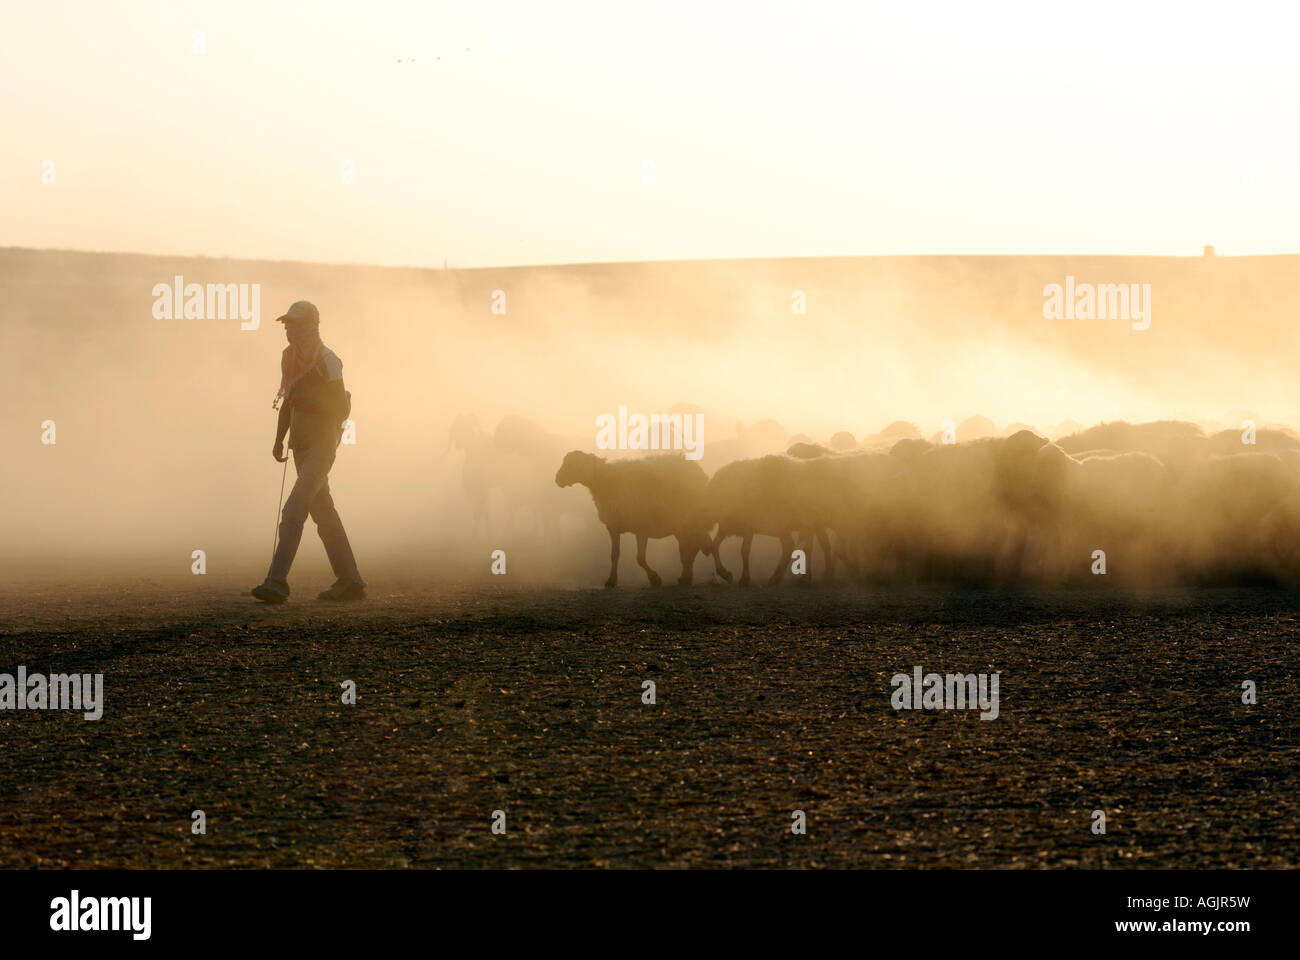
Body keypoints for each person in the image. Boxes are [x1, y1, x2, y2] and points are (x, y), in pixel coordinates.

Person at [251, 301, 366, 603]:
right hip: (301, 448)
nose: (288, 328)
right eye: (287, 323)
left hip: (322, 447)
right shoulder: (289, 358)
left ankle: (276, 583)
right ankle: (350, 580)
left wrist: (308, 403)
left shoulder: (328, 360)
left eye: (294, 323)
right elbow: (287, 401)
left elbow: (341, 407)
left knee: (293, 511)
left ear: (310, 327)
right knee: (324, 514)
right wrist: (279, 440)